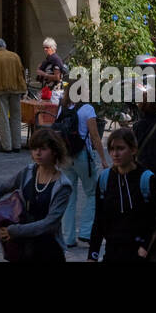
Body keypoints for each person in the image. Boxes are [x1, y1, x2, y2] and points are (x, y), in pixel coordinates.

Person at [0, 127, 73, 262]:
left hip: (47, 248)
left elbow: (50, 223)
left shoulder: (63, 185)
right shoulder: (28, 172)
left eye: (43, 149)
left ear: (54, 151)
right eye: (34, 149)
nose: (37, 153)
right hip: (22, 246)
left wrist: (15, 231)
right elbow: (2, 188)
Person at [88, 128, 156, 262]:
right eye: (112, 149)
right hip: (112, 252)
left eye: (120, 148)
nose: (115, 154)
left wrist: (145, 246)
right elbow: (99, 220)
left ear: (133, 150)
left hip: (140, 254)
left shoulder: (147, 179)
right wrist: (92, 254)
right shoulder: (105, 179)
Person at [56, 82, 106, 248]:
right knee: (92, 193)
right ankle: (85, 231)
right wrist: (104, 159)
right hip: (83, 156)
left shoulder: (62, 108)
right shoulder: (87, 109)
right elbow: (95, 136)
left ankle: (68, 237)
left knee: (70, 196)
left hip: (65, 157)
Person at [0, 39, 26, 154]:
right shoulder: (15, 56)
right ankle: (17, 145)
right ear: (5, 46)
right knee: (16, 118)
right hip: (16, 90)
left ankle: (7, 146)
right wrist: (23, 89)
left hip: (1, 91)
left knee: (3, 119)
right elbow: (20, 74)